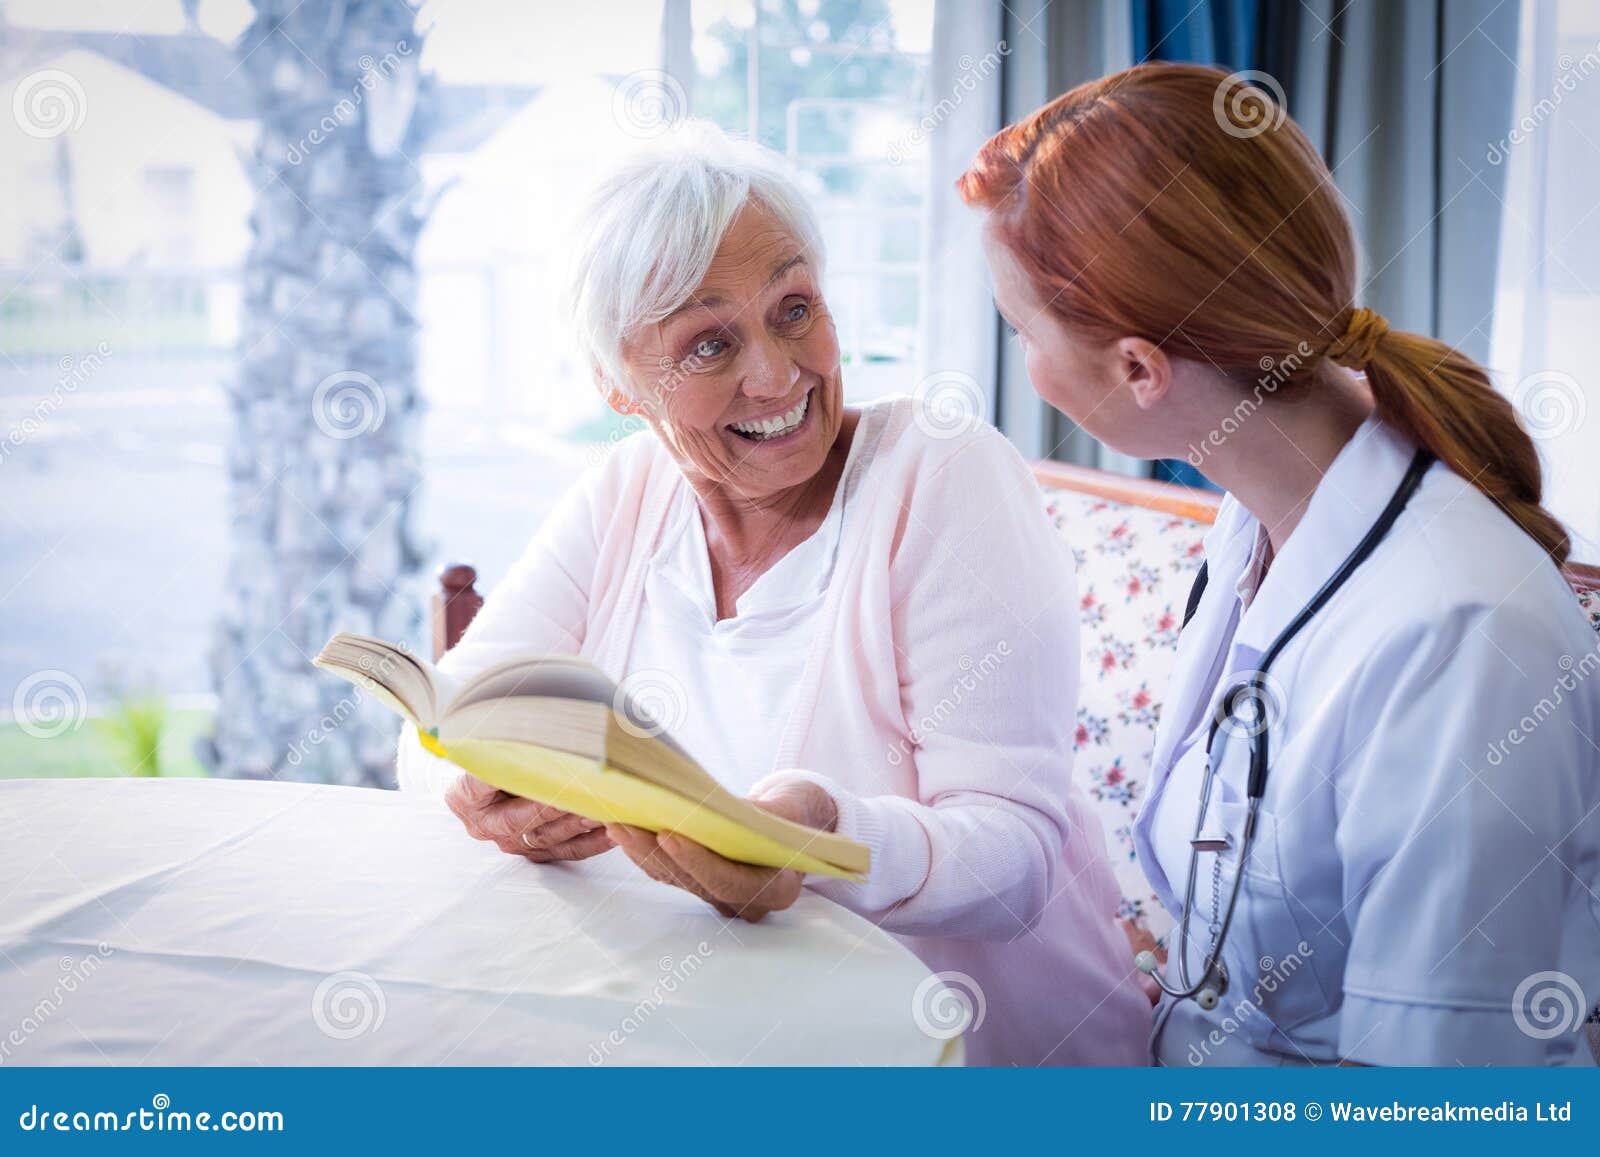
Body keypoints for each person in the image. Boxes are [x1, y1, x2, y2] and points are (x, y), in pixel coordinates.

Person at [396, 123, 1150, 1066]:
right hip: (713, 1040)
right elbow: (446, 717)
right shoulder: (625, 491)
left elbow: (1016, 864)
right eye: (710, 343)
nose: (777, 372)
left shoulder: (943, 474)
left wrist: (830, 834)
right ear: (619, 384)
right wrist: (472, 787)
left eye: (793, 308)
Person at [962, 61, 1600, 1065]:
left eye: (1021, 332)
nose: (1026, 364)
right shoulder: (1258, 519)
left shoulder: (1463, 638)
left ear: (1137, 368)